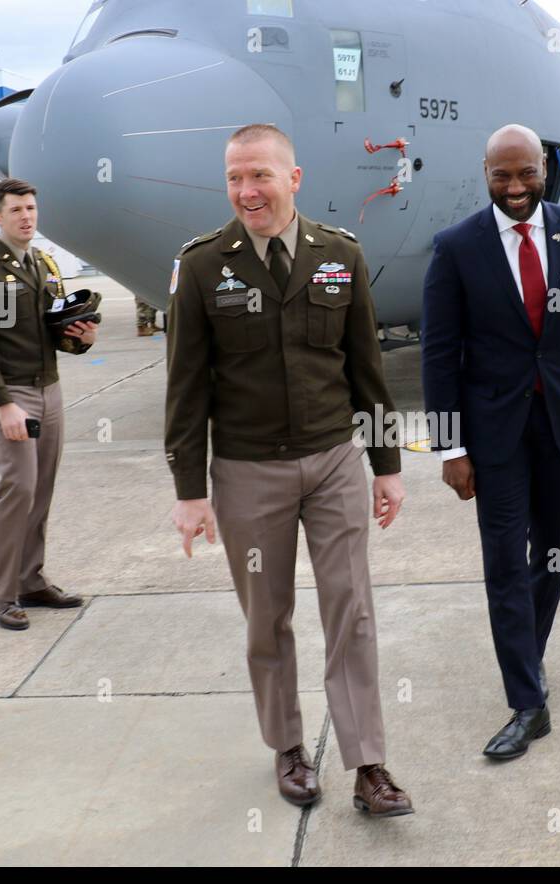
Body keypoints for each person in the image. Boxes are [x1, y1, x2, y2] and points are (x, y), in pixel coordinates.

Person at [165, 124, 413, 817]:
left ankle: (369, 764)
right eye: (235, 178)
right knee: (267, 620)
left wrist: (386, 467)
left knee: (351, 612)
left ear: (293, 178)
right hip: (247, 472)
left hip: (335, 462)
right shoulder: (203, 265)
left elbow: (368, 369)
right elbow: (185, 389)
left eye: (261, 176)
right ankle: (288, 748)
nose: (247, 191)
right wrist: (190, 492)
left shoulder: (340, 255)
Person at [421, 124, 560, 760]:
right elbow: (439, 353)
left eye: (526, 174)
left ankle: (524, 659)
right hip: (494, 435)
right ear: (484, 174)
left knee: (553, 554)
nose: (515, 188)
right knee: (506, 561)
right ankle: (527, 703)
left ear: (547, 168)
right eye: (501, 176)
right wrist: (451, 448)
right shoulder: (457, 247)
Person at [0, 179, 99, 630]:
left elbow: (54, 329)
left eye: (31, 208)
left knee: (41, 487)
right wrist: (2, 405)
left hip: (48, 388)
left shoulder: (44, 264)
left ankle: (30, 580)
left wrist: (82, 340)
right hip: (11, 393)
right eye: (16, 209)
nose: (26, 216)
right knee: (18, 486)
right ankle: (1, 593)